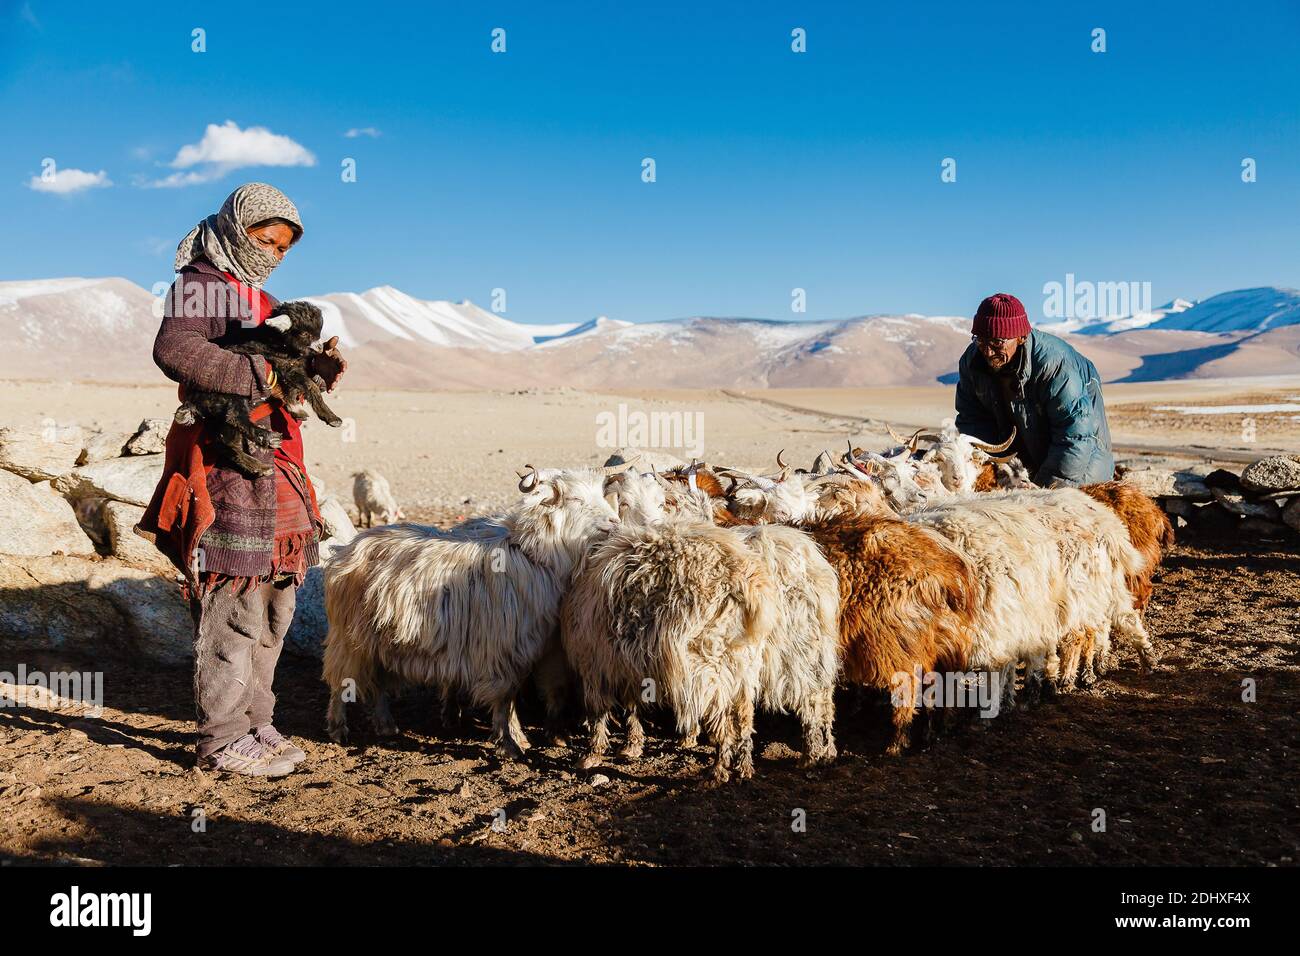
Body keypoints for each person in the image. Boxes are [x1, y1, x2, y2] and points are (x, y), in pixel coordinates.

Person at [135, 182, 347, 777]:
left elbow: (282, 375)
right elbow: (174, 349)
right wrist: (261, 377)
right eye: (265, 238)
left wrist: (314, 371)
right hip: (228, 460)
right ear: (236, 226)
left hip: (277, 460)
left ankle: (258, 721)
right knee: (236, 601)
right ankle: (222, 738)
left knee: (277, 601)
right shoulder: (201, 284)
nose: (274, 252)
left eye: (283, 246)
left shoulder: (258, 297)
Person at [954, 292, 1113, 487]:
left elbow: (1075, 434)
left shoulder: (1055, 365)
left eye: (997, 342)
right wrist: (998, 472)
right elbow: (973, 422)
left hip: (1082, 459)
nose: (987, 351)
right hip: (1026, 453)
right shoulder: (972, 362)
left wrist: (1046, 490)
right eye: (980, 340)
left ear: (1020, 338)